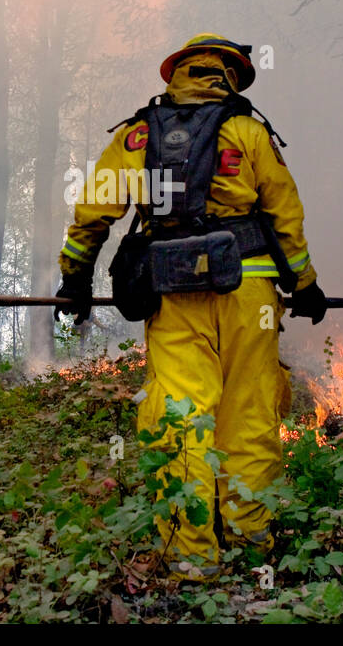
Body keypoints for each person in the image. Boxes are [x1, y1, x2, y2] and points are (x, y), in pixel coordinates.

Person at [56, 33, 327, 580]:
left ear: (177, 74)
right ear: (230, 75)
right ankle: (255, 546)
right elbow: (283, 215)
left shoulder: (138, 136)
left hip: (173, 290)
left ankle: (190, 556)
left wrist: (75, 279)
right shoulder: (248, 131)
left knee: (180, 416)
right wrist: (303, 283)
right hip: (248, 289)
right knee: (249, 414)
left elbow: (92, 212)